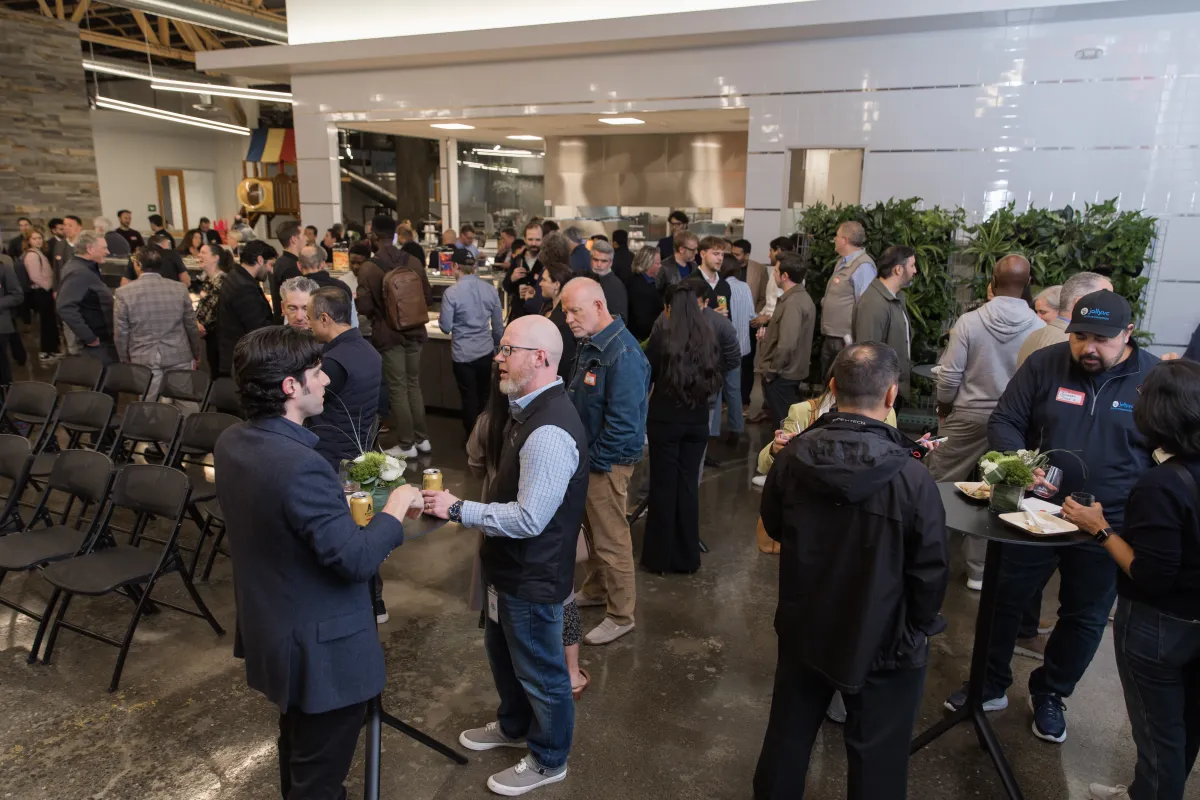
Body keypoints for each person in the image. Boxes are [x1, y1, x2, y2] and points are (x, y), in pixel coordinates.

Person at [214, 325, 423, 800]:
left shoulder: (232, 442)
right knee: (319, 778)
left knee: (298, 749)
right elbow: (356, 559)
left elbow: (279, 518)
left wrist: (332, 505)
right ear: (291, 386)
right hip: (319, 651)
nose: (326, 379)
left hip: (274, 630)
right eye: (316, 371)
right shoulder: (300, 464)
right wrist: (395, 506)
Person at [946, 289, 1159, 745]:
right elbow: (1005, 420)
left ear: (1128, 333)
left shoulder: (1153, 379)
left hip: (1106, 525)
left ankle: (1051, 692)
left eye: (1101, 339)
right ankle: (989, 684)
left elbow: (1169, 451)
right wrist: (1021, 461)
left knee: (1085, 615)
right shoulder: (1046, 364)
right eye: (1080, 337)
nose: (1088, 348)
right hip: (1034, 515)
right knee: (1003, 600)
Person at [753, 342, 948, 800]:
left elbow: (775, 526)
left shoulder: (793, 457)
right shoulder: (912, 478)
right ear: (891, 395)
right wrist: (917, 628)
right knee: (878, 753)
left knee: (789, 733)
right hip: (885, 635)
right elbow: (930, 568)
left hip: (805, 622)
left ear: (833, 388)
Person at [421, 314, 588, 796]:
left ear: (540, 358)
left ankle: (549, 759)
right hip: (507, 571)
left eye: (508, 349)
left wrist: (457, 508)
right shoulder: (523, 411)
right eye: (502, 347)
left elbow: (530, 519)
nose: (498, 356)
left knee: (542, 673)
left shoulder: (549, 430)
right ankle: (514, 726)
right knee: (504, 657)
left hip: (532, 578)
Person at [1059, 360, 1200, 800]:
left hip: (1160, 626)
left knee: (1158, 736)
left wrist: (1099, 528)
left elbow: (1151, 574)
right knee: (1187, 724)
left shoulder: (1162, 484)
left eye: (1144, 393)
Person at [466, 363, 592, 702]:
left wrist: (460, 509)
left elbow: (528, 516)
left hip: (517, 549)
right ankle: (570, 672)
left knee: (529, 657)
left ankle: (539, 722)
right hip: (539, 556)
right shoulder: (540, 418)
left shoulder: (516, 426)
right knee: (562, 603)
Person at [927, 254, 1044, 590]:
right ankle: (978, 571)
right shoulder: (1038, 328)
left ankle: (925, 557)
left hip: (965, 416)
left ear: (992, 281)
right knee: (998, 493)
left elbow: (950, 375)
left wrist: (944, 406)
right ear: (1028, 284)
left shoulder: (969, 322)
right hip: (1012, 425)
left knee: (939, 486)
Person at [561, 278, 650, 646]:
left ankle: (621, 615)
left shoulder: (623, 354)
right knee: (593, 534)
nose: (568, 318)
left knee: (612, 538)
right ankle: (597, 590)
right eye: (565, 311)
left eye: (574, 311)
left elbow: (624, 426)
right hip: (588, 460)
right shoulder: (591, 344)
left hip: (606, 464)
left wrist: (592, 462)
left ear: (599, 306)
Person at [641, 282, 724, 574]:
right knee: (688, 487)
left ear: (668, 309)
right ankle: (687, 558)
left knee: (663, 487)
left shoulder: (661, 340)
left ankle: (659, 559)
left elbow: (645, 376)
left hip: (665, 421)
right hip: (697, 422)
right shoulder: (709, 339)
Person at [355, 214, 433, 459]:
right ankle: (422, 439)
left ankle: (407, 445)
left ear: (374, 236)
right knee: (413, 385)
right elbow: (427, 296)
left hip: (389, 336)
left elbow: (364, 306)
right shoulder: (413, 261)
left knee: (398, 389)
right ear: (396, 234)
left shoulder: (369, 268)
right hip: (416, 331)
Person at [113, 246, 202, 400]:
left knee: (149, 403)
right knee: (184, 400)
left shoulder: (123, 293)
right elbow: (191, 325)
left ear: (139, 265)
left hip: (143, 357)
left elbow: (121, 332)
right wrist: (196, 353)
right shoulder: (179, 288)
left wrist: (125, 359)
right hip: (178, 354)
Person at [439, 249, 504, 435]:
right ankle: (484, 437)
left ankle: (471, 438)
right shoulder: (490, 289)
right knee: (484, 396)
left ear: (455, 266)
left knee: (468, 398)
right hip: (485, 351)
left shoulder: (451, 293)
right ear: (474, 266)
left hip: (462, 354)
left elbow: (445, 327)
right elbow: (498, 327)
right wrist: (497, 348)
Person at [757, 254, 817, 430]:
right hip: (788, 372)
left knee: (784, 426)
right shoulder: (797, 298)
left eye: (775, 271)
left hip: (783, 375)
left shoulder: (793, 303)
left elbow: (787, 345)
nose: (773, 274)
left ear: (785, 276)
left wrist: (771, 372)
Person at [854, 244, 917, 405]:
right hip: (879, 394)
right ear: (898, 269)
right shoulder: (873, 303)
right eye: (912, 265)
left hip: (891, 390)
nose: (915, 271)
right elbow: (867, 355)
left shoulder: (896, 298)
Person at [818, 221, 876, 380]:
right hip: (833, 336)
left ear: (845, 240)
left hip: (846, 340)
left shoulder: (863, 267)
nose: (834, 240)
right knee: (828, 381)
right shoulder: (842, 262)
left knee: (841, 382)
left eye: (836, 236)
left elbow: (865, 306)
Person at [1018, 271, 1112, 367]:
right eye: (1105, 300)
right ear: (1081, 303)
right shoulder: (1074, 344)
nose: (1111, 306)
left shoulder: (1033, 335)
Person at [749, 237, 797, 424]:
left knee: (770, 368)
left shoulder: (788, 272)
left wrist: (767, 319)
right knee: (763, 367)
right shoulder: (776, 270)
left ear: (778, 250)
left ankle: (776, 414)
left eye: (770, 250)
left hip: (774, 325)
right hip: (767, 322)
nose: (768, 255)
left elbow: (783, 305)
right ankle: (768, 409)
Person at [218, 240, 277, 376]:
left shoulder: (235, 276)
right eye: (270, 264)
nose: (271, 270)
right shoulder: (244, 287)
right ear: (260, 260)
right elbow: (258, 328)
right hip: (244, 359)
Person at [712, 253, 753, 443]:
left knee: (716, 391)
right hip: (740, 347)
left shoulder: (720, 288)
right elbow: (751, 314)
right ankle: (736, 428)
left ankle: (713, 431)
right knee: (734, 390)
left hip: (722, 346)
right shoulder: (745, 286)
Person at [57, 230, 113, 364]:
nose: (108, 252)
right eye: (104, 248)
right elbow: (65, 307)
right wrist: (89, 337)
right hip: (95, 343)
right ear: (89, 249)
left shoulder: (85, 266)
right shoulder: (79, 272)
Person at [733, 239, 769, 415]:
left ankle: (744, 400)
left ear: (746, 255)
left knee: (747, 362)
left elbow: (763, 296)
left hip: (750, 322)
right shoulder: (727, 266)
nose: (734, 257)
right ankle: (726, 399)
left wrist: (754, 314)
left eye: (738, 254)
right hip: (732, 321)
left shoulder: (759, 269)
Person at [195, 243, 234, 377]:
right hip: (209, 337)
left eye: (203, 252)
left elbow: (213, 312)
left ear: (215, 258)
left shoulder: (221, 280)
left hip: (218, 339)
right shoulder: (209, 280)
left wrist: (200, 325)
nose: (199, 255)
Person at [21, 229, 59, 362]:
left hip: (44, 291)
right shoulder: (32, 255)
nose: (38, 240)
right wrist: (49, 286)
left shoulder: (38, 253)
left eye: (40, 238)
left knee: (49, 322)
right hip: (42, 291)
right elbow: (35, 276)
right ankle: (46, 351)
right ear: (29, 241)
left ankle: (52, 350)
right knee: (46, 323)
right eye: (34, 238)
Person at [298, 244, 356, 328]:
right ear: (323, 264)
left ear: (299, 265)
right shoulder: (342, 287)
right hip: (338, 335)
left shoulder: (295, 288)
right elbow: (353, 322)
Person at [539, 262, 577, 381]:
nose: (540, 283)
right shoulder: (547, 306)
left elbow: (566, 358)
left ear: (556, 284)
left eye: (544, 280)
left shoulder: (565, 317)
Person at [503, 221, 545, 320]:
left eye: (537, 240)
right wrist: (512, 278)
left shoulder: (546, 261)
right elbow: (506, 286)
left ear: (543, 239)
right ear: (524, 239)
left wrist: (535, 291)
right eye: (530, 239)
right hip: (518, 314)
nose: (534, 243)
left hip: (539, 316)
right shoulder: (518, 260)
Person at [625, 245, 664, 343]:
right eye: (657, 263)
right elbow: (642, 321)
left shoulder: (648, 281)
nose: (660, 266)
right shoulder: (638, 286)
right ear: (647, 264)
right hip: (642, 340)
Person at [271, 222, 303, 324]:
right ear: (294, 239)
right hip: (290, 322)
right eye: (303, 235)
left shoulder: (281, 262)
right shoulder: (291, 267)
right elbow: (296, 300)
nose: (306, 238)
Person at [588, 238, 628, 321]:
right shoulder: (588, 278)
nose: (599, 264)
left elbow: (620, 319)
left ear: (611, 263)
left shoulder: (616, 286)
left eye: (604, 261)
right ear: (591, 259)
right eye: (595, 260)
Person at [50, 215, 80, 289]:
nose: (66, 228)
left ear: (79, 227)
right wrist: (55, 289)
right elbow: (56, 268)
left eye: (70, 225)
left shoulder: (86, 244)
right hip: (64, 287)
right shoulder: (59, 244)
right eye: (65, 225)